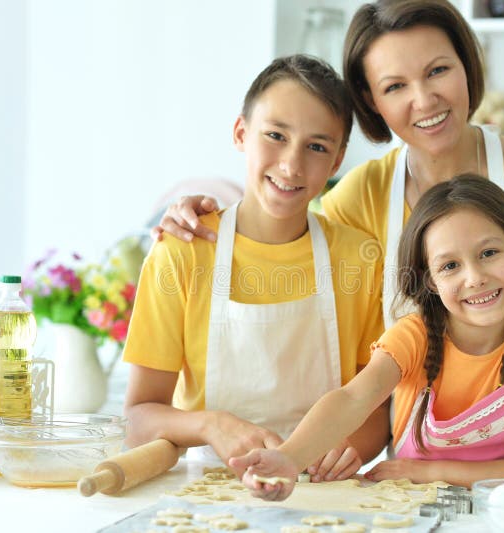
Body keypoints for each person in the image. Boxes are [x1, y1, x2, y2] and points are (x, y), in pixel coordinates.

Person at [154, 0, 504, 440]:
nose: (424, 100)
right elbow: (280, 222)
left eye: (438, 70)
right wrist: (198, 213)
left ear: (467, 67)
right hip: (422, 471)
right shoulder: (358, 198)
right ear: (371, 102)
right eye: (395, 86)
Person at [230, 175, 504, 499]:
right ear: (430, 281)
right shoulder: (414, 337)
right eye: (450, 266)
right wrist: (289, 458)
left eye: (489, 253)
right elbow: (353, 399)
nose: (475, 277)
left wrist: (430, 472)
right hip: (409, 511)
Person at [122, 55, 386, 480]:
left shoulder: (360, 258)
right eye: (276, 135)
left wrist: (343, 447)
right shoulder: (183, 252)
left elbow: (376, 406)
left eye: (317, 147)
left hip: (321, 488)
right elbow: (137, 419)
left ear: (337, 162)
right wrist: (212, 425)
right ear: (241, 133)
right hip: (208, 490)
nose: (291, 164)